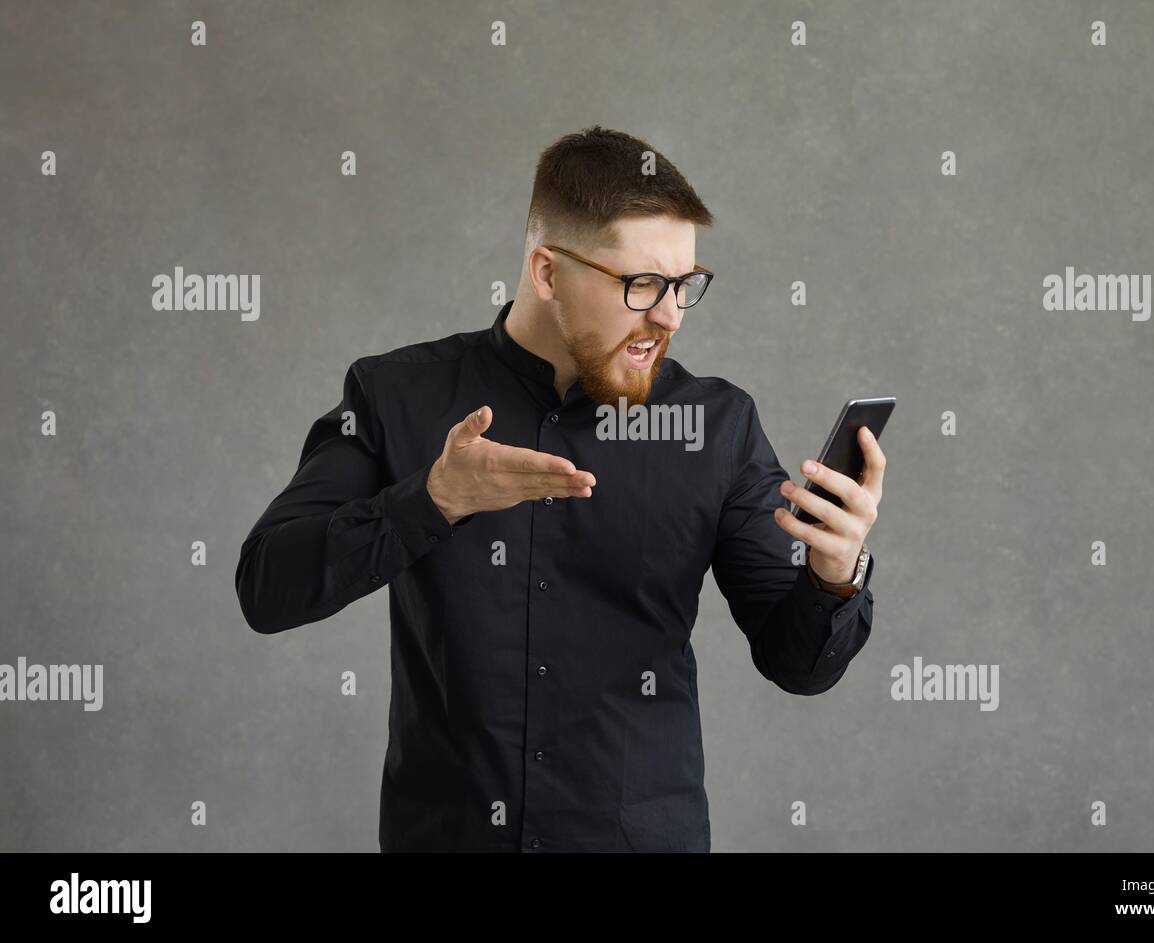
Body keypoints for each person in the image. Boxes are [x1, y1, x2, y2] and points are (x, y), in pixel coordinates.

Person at [235, 126, 887, 852]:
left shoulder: (718, 426)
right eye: (641, 284)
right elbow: (267, 587)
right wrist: (433, 499)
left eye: (684, 286)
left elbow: (798, 665)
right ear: (547, 272)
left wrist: (833, 576)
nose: (669, 314)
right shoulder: (395, 394)